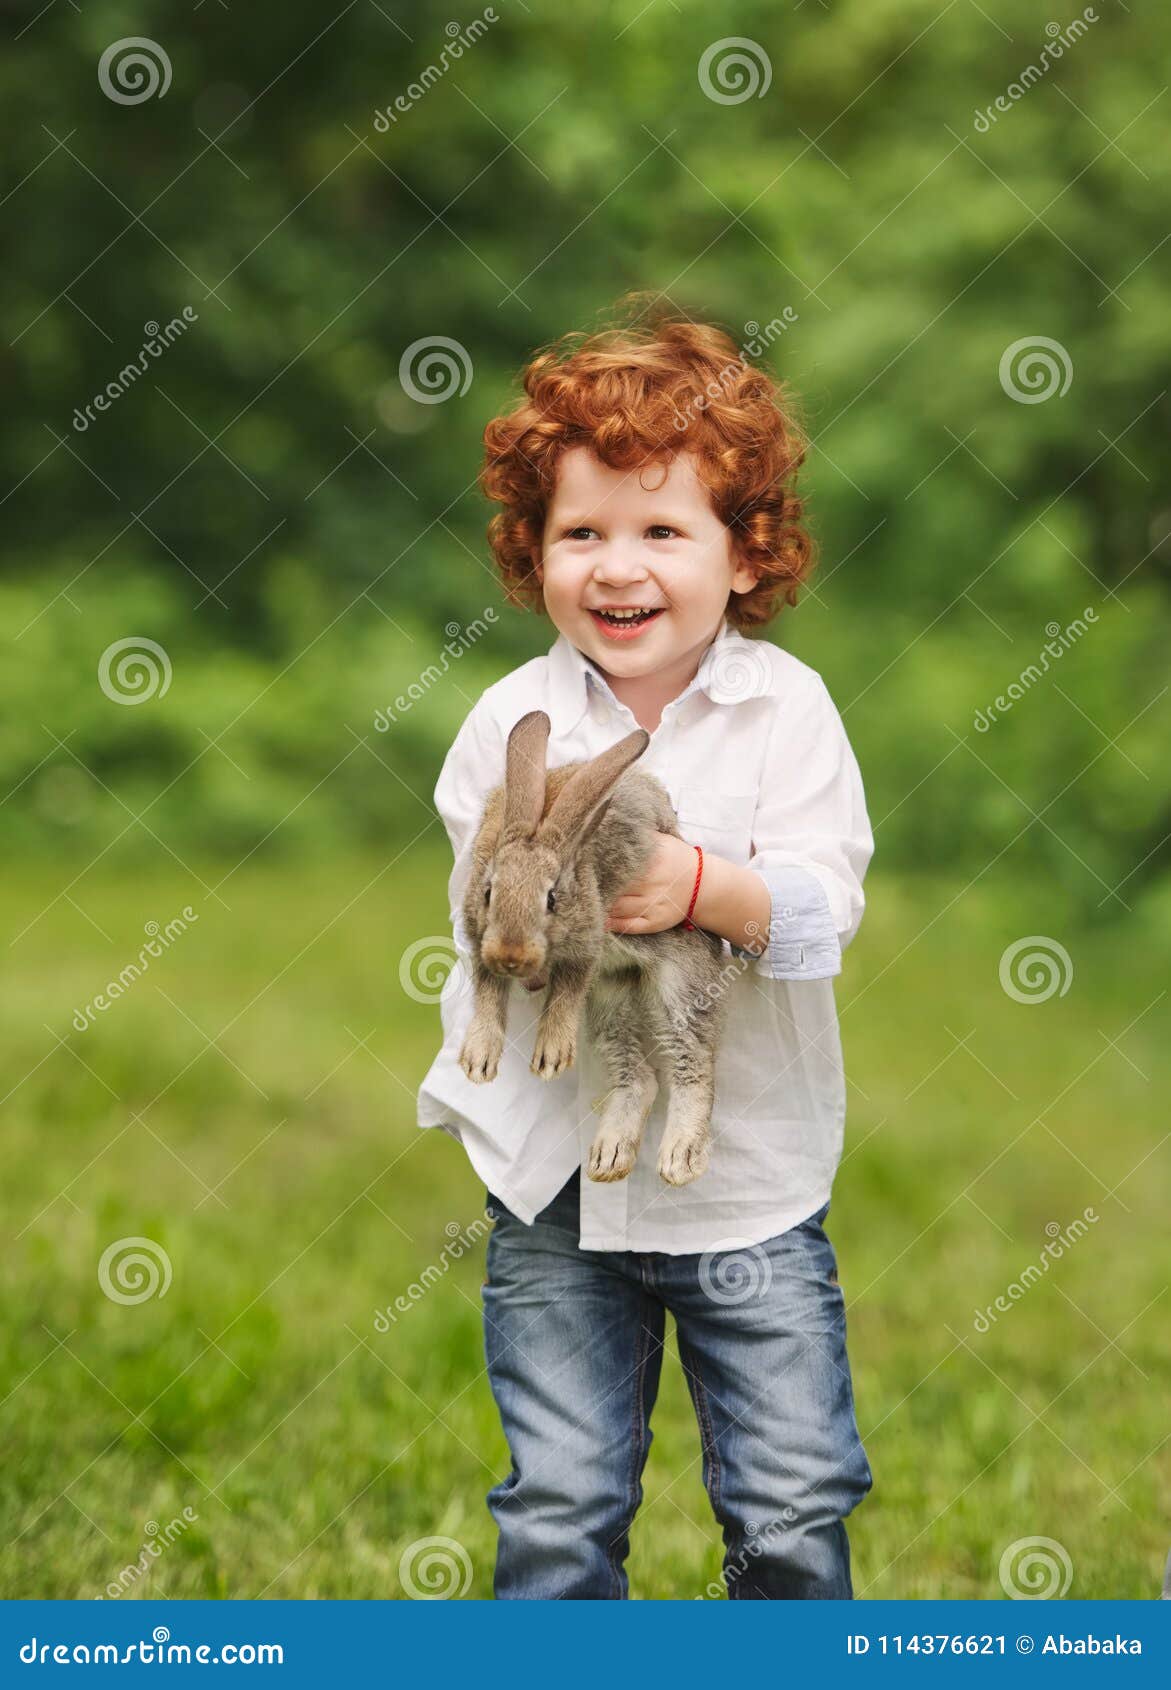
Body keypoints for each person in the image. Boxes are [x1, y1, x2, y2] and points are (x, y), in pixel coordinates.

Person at [415, 301, 874, 1598]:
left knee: (790, 1495)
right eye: (583, 534)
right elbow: (481, 911)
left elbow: (823, 907)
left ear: (745, 552)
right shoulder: (508, 721)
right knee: (560, 1500)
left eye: (662, 531)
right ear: (535, 551)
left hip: (748, 1188)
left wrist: (701, 886)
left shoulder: (787, 712)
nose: (618, 569)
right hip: (553, 1179)